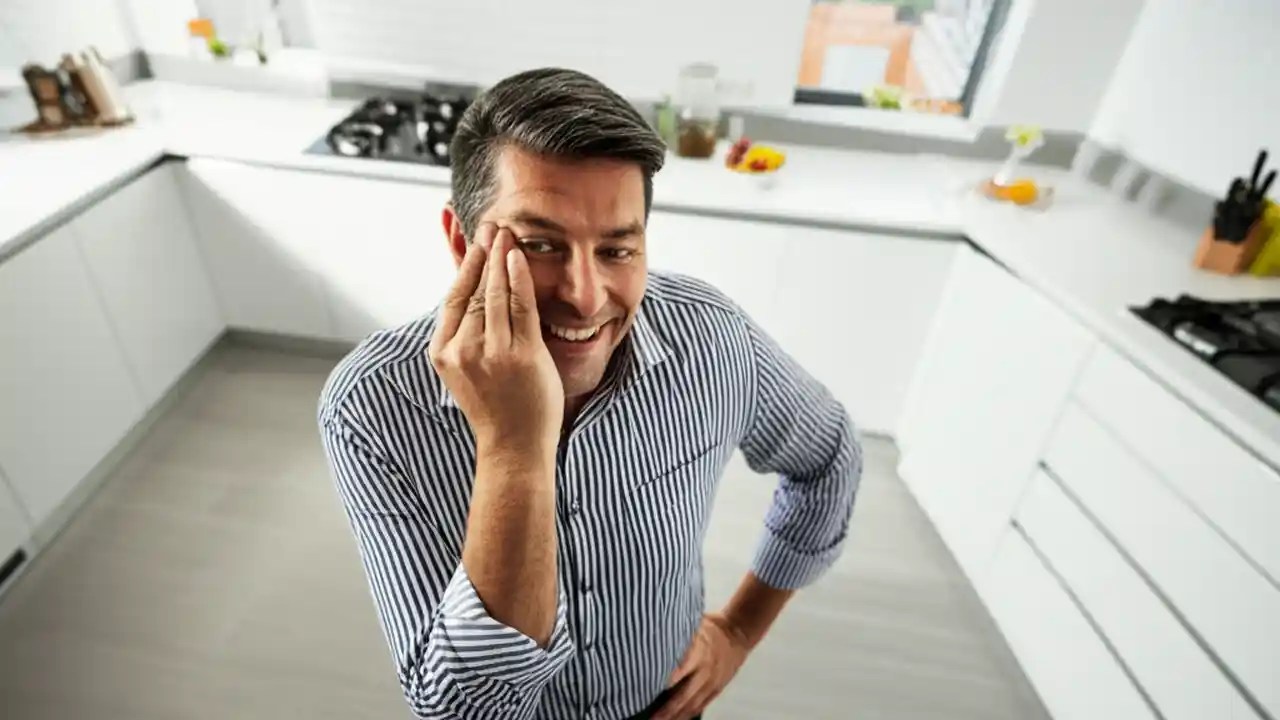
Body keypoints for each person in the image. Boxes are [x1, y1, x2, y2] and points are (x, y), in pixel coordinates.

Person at [318, 67, 861, 720]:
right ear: (463, 242)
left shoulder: (712, 339)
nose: (583, 293)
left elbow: (828, 460)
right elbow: (460, 711)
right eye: (542, 244)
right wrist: (515, 449)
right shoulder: (369, 409)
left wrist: (740, 630)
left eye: (616, 250)